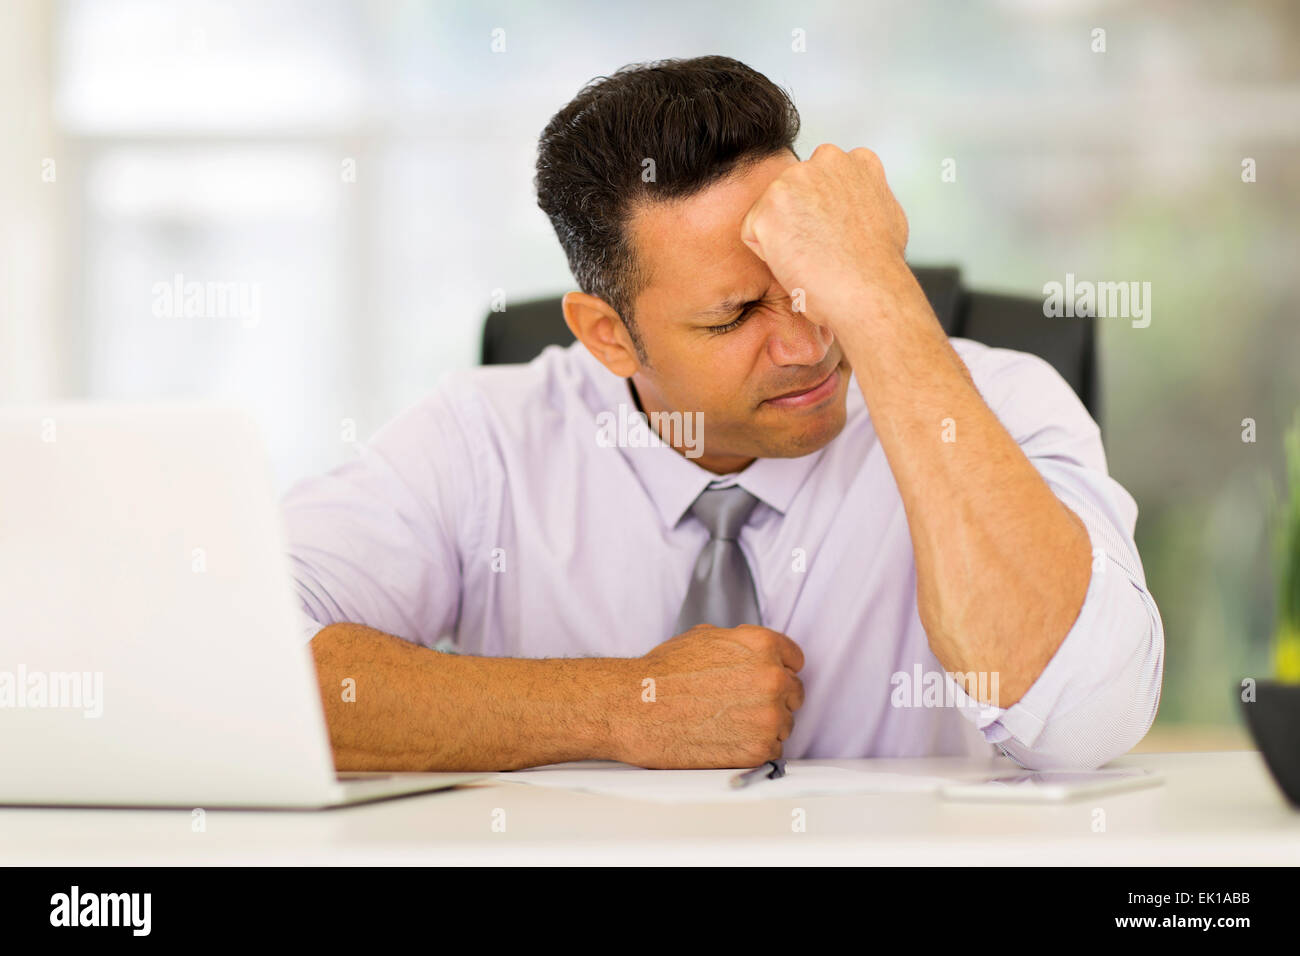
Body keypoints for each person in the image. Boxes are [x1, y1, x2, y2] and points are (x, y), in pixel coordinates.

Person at [282, 56, 1163, 773]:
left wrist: (880, 301)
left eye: (814, 282)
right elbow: (230, 663)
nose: (805, 343)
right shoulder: (485, 441)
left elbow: (1084, 720)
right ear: (610, 337)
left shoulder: (997, 401)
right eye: (737, 315)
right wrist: (621, 707)